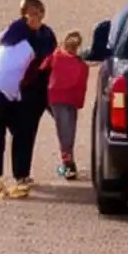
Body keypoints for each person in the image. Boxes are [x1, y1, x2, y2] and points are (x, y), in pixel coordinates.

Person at [0, 0, 54, 199]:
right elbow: (47, 56)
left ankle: (17, 177)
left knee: (18, 130)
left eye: (40, 13)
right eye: (34, 14)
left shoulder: (8, 33)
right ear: (25, 15)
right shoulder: (33, 39)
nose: (38, 18)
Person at [42, 31, 88, 180]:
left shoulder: (55, 57)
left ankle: (67, 164)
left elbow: (42, 70)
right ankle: (69, 163)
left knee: (62, 131)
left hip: (54, 98)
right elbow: (82, 87)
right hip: (71, 100)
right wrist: (79, 103)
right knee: (69, 131)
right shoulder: (82, 65)